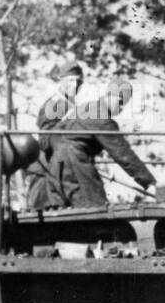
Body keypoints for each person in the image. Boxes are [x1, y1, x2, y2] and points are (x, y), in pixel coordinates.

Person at [26, 61, 156, 209]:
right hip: (67, 166)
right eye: (119, 102)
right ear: (109, 95)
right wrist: (150, 183)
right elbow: (123, 153)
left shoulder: (83, 108)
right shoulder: (97, 115)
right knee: (97, 214)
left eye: (124, 105)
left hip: (59, 167)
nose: (120, 108)